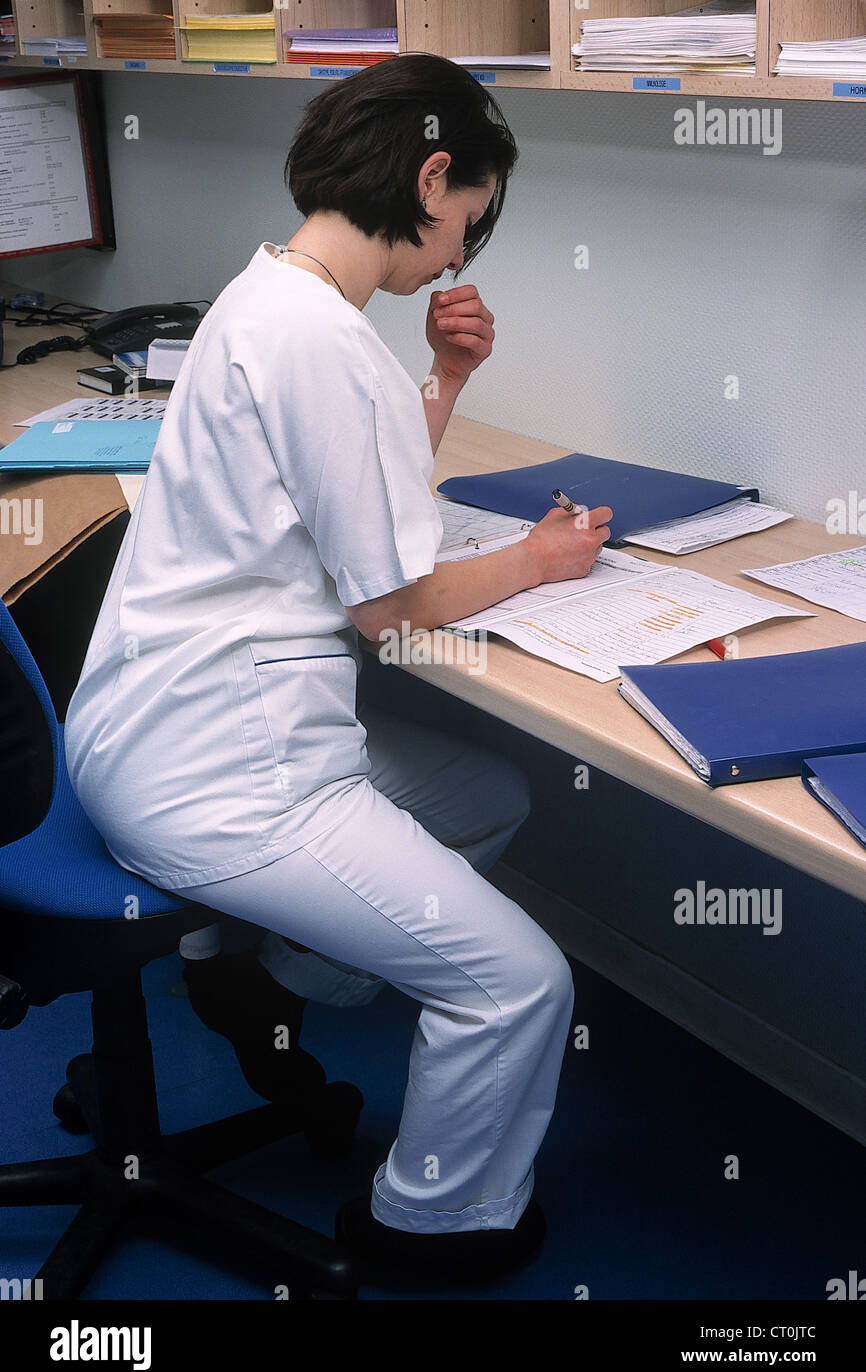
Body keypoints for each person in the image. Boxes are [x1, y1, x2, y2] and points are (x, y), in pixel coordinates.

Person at [64, 53, 613, 1282]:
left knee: (488, 794)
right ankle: (425, 1224)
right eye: (466, 224)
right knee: (518, 980)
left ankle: (257, 967)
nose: (457, 260)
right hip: (224, 777)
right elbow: (391, 606)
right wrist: (535, 560)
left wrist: (449, 379)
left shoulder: (270, 298)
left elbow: (346, 496)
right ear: (431, 177)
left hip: (145, 728)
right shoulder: (319, 339)